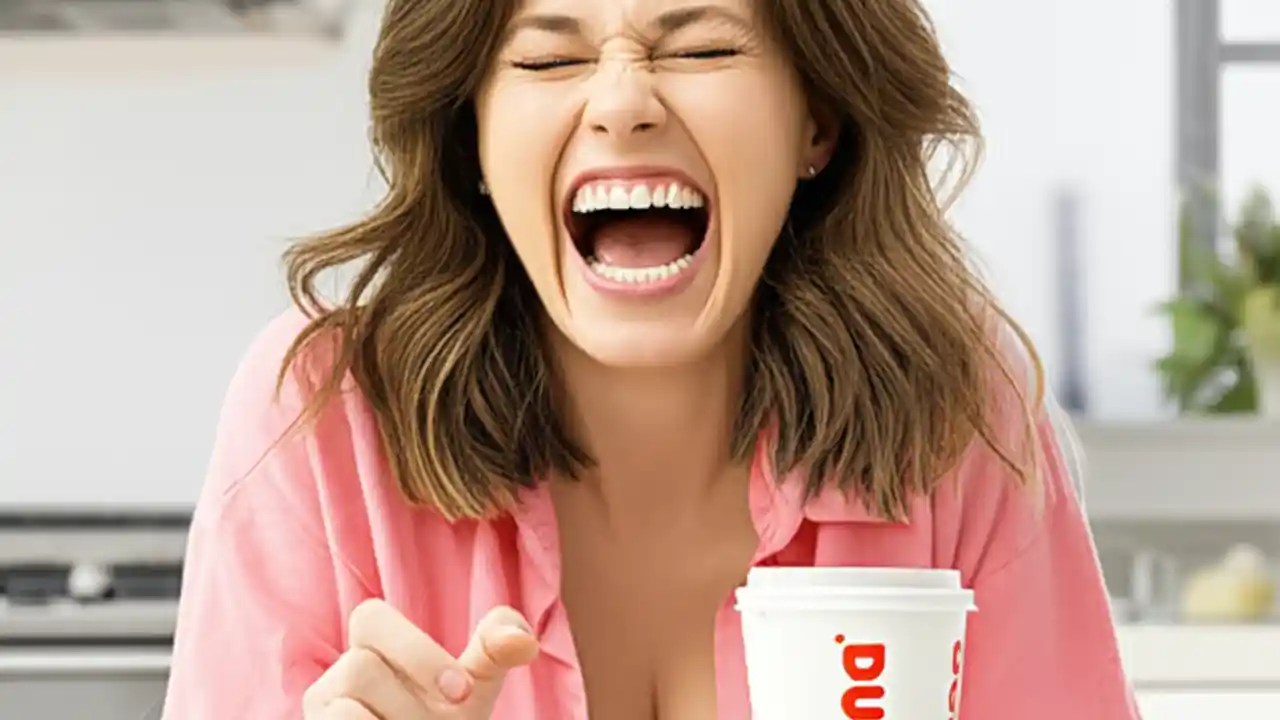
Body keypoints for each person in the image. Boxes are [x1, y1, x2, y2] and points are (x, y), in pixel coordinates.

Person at [163, 0, 1141, 718]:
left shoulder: (953, 405)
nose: (621, 101)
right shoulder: (322, 413)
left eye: (706, 47)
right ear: (469, 134)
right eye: (548, 61)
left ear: (816, 123)